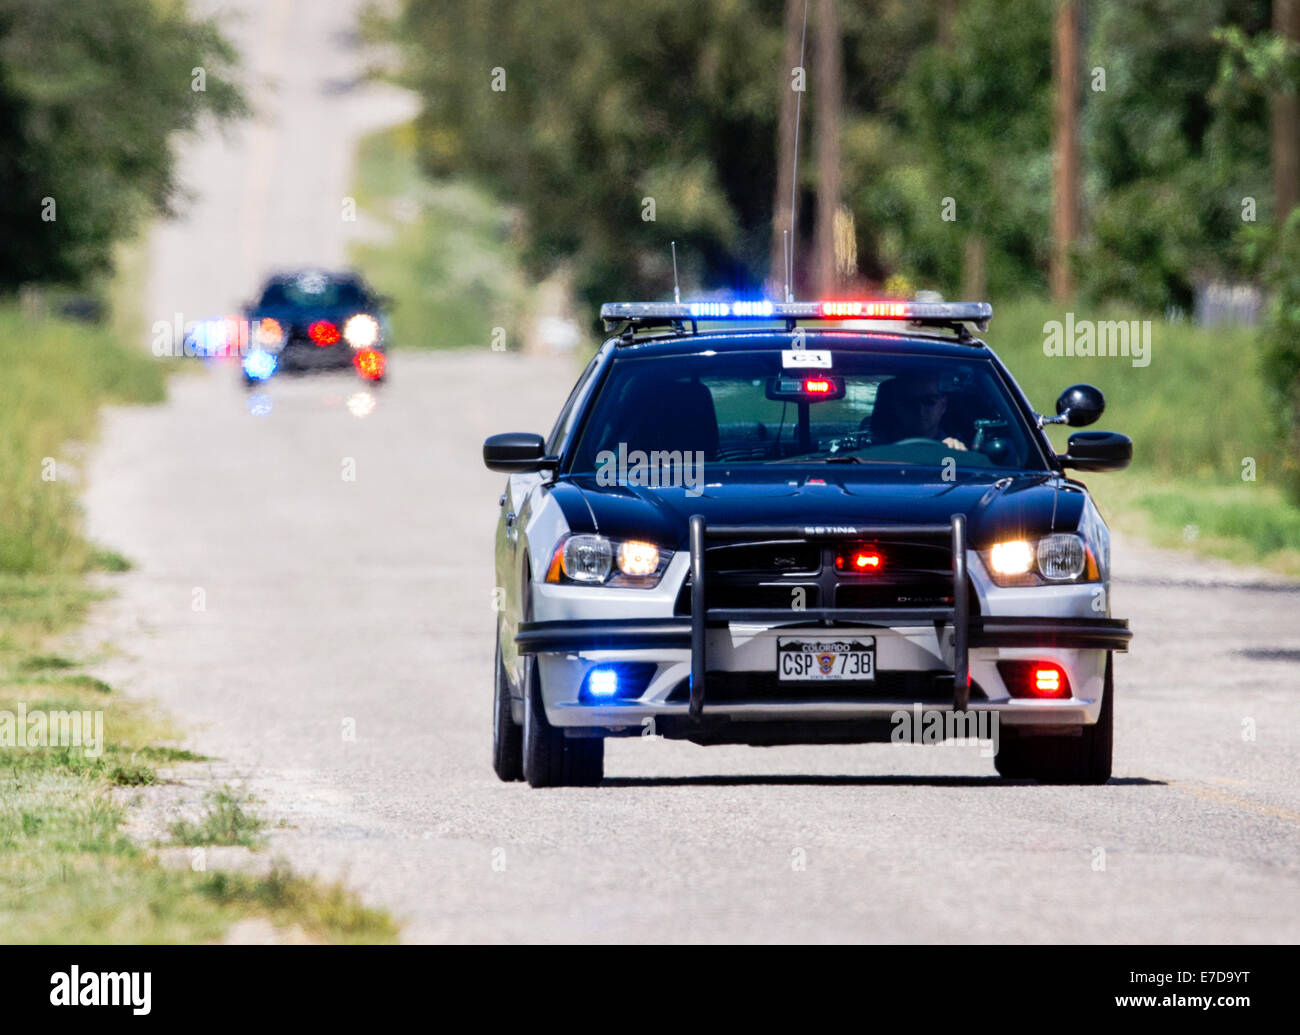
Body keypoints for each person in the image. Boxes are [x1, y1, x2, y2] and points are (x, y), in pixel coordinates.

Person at [871, 373, 967, 451]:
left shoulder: (954, 451)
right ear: (896, 407)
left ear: (943, 406)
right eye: (909, 402)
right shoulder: (873, 447)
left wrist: (960, 457)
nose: (920, 410)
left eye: (929, 401)